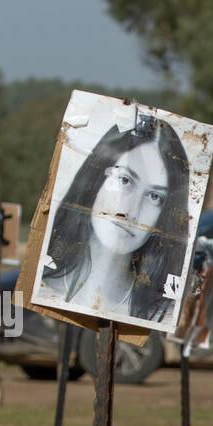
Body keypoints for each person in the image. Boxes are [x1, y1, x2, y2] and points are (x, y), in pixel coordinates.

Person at [38, 109, 190, 324]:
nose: (131, 211)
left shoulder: (161, 317)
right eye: (125, 180)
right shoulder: (40, 289)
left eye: (155, 196)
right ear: (95, 180)